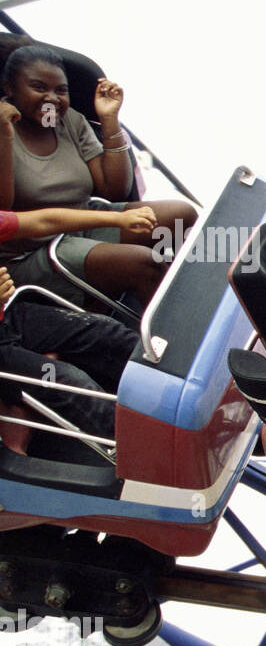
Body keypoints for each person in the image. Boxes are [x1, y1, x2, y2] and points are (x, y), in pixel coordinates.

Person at [0, 46, 196, 306]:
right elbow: (3, 210)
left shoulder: (66, 120)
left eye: (61, 90)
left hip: (84, 220)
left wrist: (109, 119)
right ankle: (165, 336)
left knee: (181, 215)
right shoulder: (3, 128)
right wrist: (3, 137)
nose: (52, 99)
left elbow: (114, 189)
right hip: (33, 251)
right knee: (146, 263)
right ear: (10, 88)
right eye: (38, 88)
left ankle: (188, 299)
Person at [0, 205, 152, 464]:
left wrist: (118, 219)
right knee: (69, 381)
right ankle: (146, 458)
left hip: (10, 317)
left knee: (107, 333)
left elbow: (43, 221)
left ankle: (174, 398)